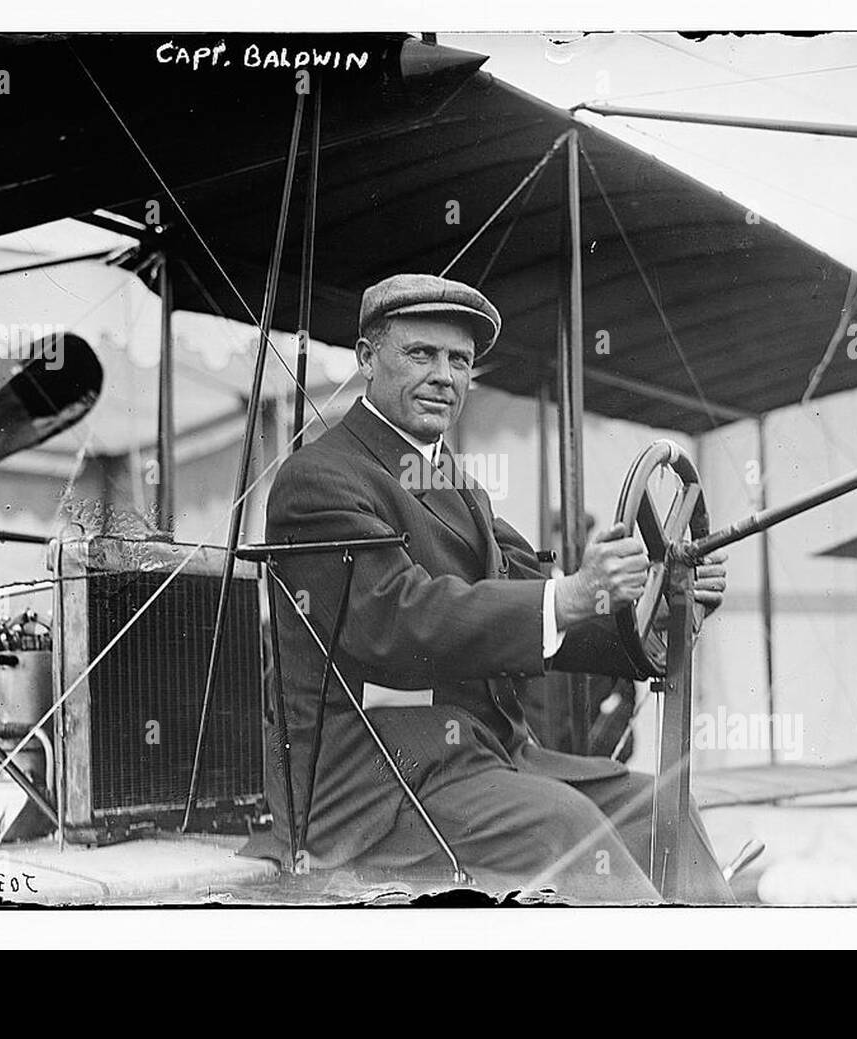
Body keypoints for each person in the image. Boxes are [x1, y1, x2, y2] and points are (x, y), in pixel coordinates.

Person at [260, 272, 732, 903]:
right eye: (421, 354)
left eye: (459, 361)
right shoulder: (318, 481)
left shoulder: (453, 483)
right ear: (367, 360)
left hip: (475, 759)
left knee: (656, 804)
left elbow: (534, 596)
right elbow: (397, 620)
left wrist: (660, 599)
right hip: (366, 785)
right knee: (565, 830)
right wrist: (566, 596)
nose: (444, 376)